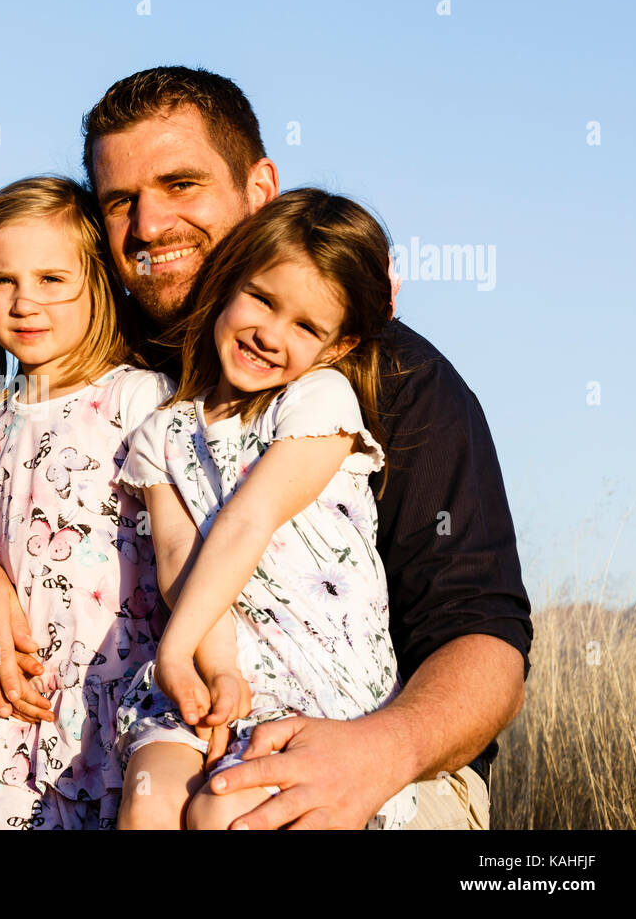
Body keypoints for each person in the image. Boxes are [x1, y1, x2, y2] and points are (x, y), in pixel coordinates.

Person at [0, 66, 532, 830]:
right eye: (120, 202)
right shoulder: (101, 353)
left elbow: (487, 639)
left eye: (180, 184)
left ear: (259, 188)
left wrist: (382, 750)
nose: (149, 225)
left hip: (366, 740)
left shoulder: (383, 374)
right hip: (142, 709)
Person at [115, 188, 417, 830]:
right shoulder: (162, 434)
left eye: (306, 326)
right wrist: (208, 666)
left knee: (220, 810)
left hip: (318, 686)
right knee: (150, 801)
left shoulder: (317, 401)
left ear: (336, 347)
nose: (270, 334)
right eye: (262, 299)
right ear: (229, 285)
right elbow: (178, 555)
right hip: (211, 662)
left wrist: (175, 649)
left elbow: (248, 519)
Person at [0, 176, 170, 828]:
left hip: (117, 691)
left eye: (53, 279)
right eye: (3, 281)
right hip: (17, 705)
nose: (25, 302)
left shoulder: (141, 400)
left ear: (100, 286)